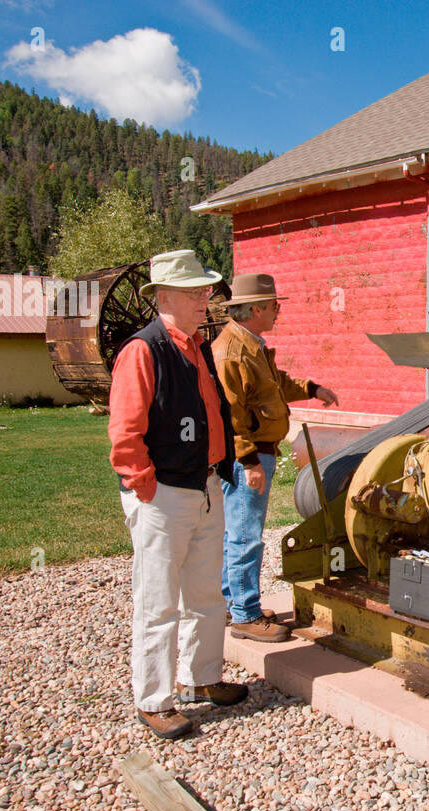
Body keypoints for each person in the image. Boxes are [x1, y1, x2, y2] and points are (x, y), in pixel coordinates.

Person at [108, 249, 250, 740]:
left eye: (206, 291)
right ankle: (154, 699)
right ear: (163, 296)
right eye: (194, 293)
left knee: (207, 594)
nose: (204, 301)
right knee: (158, 601)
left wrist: (221, 469)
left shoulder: (197, 347)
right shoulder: (143, 350)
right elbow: (125, 435)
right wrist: (146, 487)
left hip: (205, 485)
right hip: (165, 493)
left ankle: (204, 678)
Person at [212, 272, 338, 639]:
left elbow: (275, 385)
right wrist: (249, 461)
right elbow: (229, 415)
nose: (277, 312)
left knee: (239, 533)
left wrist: (312, 389)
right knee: (245, 536)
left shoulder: (250, 345)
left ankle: (235, 604)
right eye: (272, 306)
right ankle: (245, 616)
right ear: (254, 309)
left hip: (257, 455)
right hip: (248, 458)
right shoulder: (232, 352)